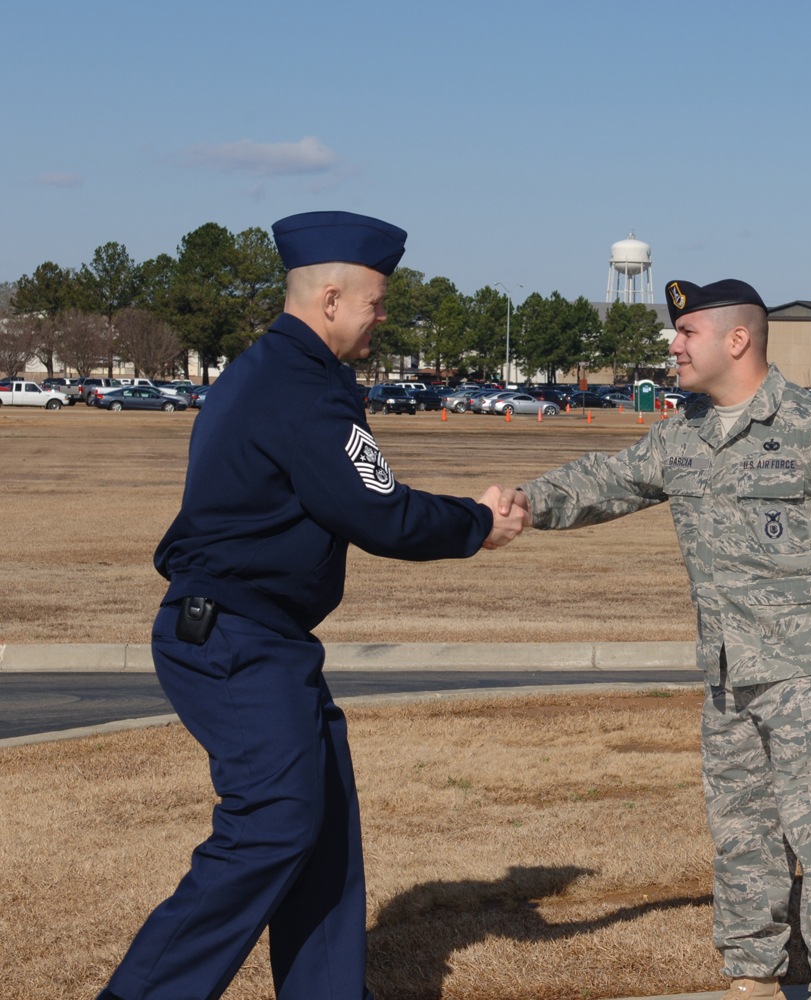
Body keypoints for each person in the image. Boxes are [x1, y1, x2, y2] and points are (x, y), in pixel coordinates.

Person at [96, 211, 527, 1000]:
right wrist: (478, 523)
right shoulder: (301, 389)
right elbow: (378, 511)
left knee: (322, 830)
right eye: (376, 301)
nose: (382, 316)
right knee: (273, 825)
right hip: (234, 638)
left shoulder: (275, 370)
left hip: (261, 637)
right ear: (331, 299)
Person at [503, 279, 811, 1000]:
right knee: (742, 833)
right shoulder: (683, 432)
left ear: (737, 340)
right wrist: (522, 504)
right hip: (728, 672)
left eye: (687, 332)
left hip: (809, 674)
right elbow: (607, 480)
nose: (673, 345)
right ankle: (753, 974)